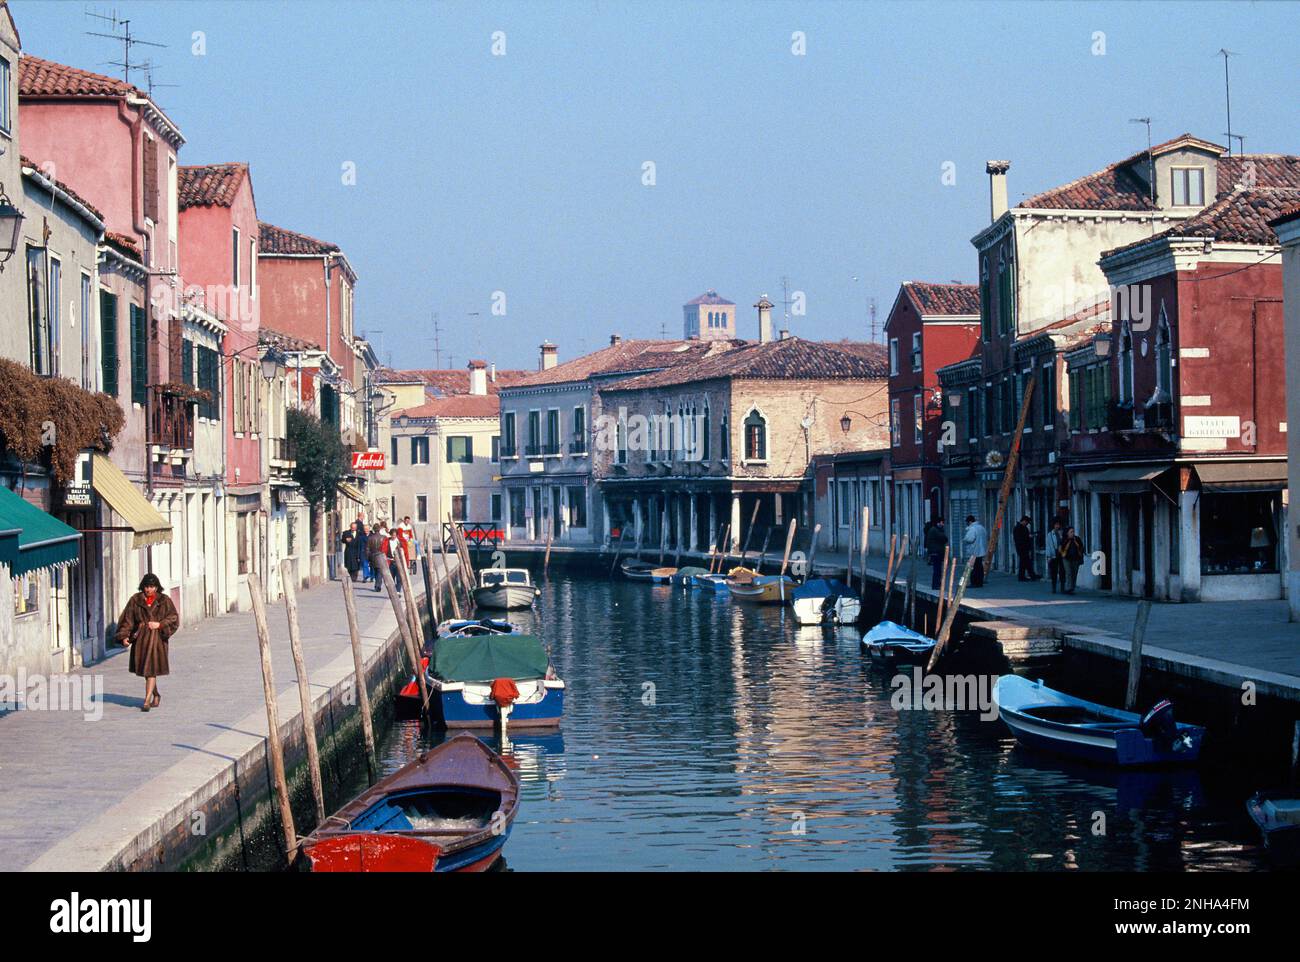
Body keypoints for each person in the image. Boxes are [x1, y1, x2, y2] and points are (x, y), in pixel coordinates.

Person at [115, 573, 179, 712]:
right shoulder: (135, 600)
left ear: (156, 587)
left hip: (157, 640)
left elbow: (173, 618)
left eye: (151, 587)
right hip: (141, 640)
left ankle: (146, 700)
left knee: (151, 670)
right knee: (146, 670)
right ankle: (156, 694)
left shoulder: (164, 600)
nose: (148, 589)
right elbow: (128, 619)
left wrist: (160, 625)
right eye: (146, 586)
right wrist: (124, 636)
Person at [962, 514, 988, 588]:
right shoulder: (982, 527)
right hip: (981, 550)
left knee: (973, 568)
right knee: (979, 567)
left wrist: (965, 539)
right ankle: (980, 582)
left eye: (967, 522)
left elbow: (970, 539)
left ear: (970, 522)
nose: (966, 524)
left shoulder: (973, 529)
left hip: (974, 551)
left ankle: (974, 583)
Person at [1060, 526, 1086, 594]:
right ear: (1067, 533)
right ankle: (1068, 588)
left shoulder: (1077, 539)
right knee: (1068, 573)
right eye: (1071, 532)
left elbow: (1081, 547)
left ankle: (1072, 587)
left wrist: (1075, 542)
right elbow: (1061, 548)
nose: (1072, 533)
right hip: (1066, 558)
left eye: (1073, 532)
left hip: (1076, 558)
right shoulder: (1064, 539)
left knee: (1074, 573)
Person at [925, 517, 949, 590]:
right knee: (937, 569)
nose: (943, 524)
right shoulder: (935, 530)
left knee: (937, 569)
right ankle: (936, 585)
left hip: (936, 552)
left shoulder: (934, 530)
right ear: (938, 523)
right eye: (942, 522)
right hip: (936, 552)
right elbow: (944, 538)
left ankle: (937, 584)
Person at [1014, 516, 1040, 582]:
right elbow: (1019, 539)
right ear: (1024, 521)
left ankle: (1030, 575)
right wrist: (1029, 537)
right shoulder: (1018, 528)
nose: (1027, 524)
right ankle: (1025, 576)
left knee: (1025, 562)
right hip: (1022, 548)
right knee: (1025, 562)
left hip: (1023, 548)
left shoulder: (1022, 528)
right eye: (1027, 522)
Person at [367, 522, 391, 592]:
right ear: (379, 529)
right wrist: (389, 555)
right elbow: (388, 547)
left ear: (374, 529)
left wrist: (368, 558)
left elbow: (367, 549)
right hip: (381, 555)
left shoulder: (370, 538)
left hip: (373, 556)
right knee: (379, 572)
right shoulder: (384, 537)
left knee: (376, 571)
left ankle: (377, 585)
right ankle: (378, 585)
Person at [1046, 518, 1065, 593]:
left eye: (1058, 524)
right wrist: (1048, 556)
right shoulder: (1050, 534)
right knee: (1054, 572)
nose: (1057, 526)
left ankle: (1062, 587)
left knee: (1062, 571)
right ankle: (1053, 587)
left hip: (1062, 554)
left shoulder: (1062, 534)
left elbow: (1064, 543)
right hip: (1054, 555)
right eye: (1056, 524)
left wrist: (1061, 536)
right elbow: (1048, 545)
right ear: (1053, 525)